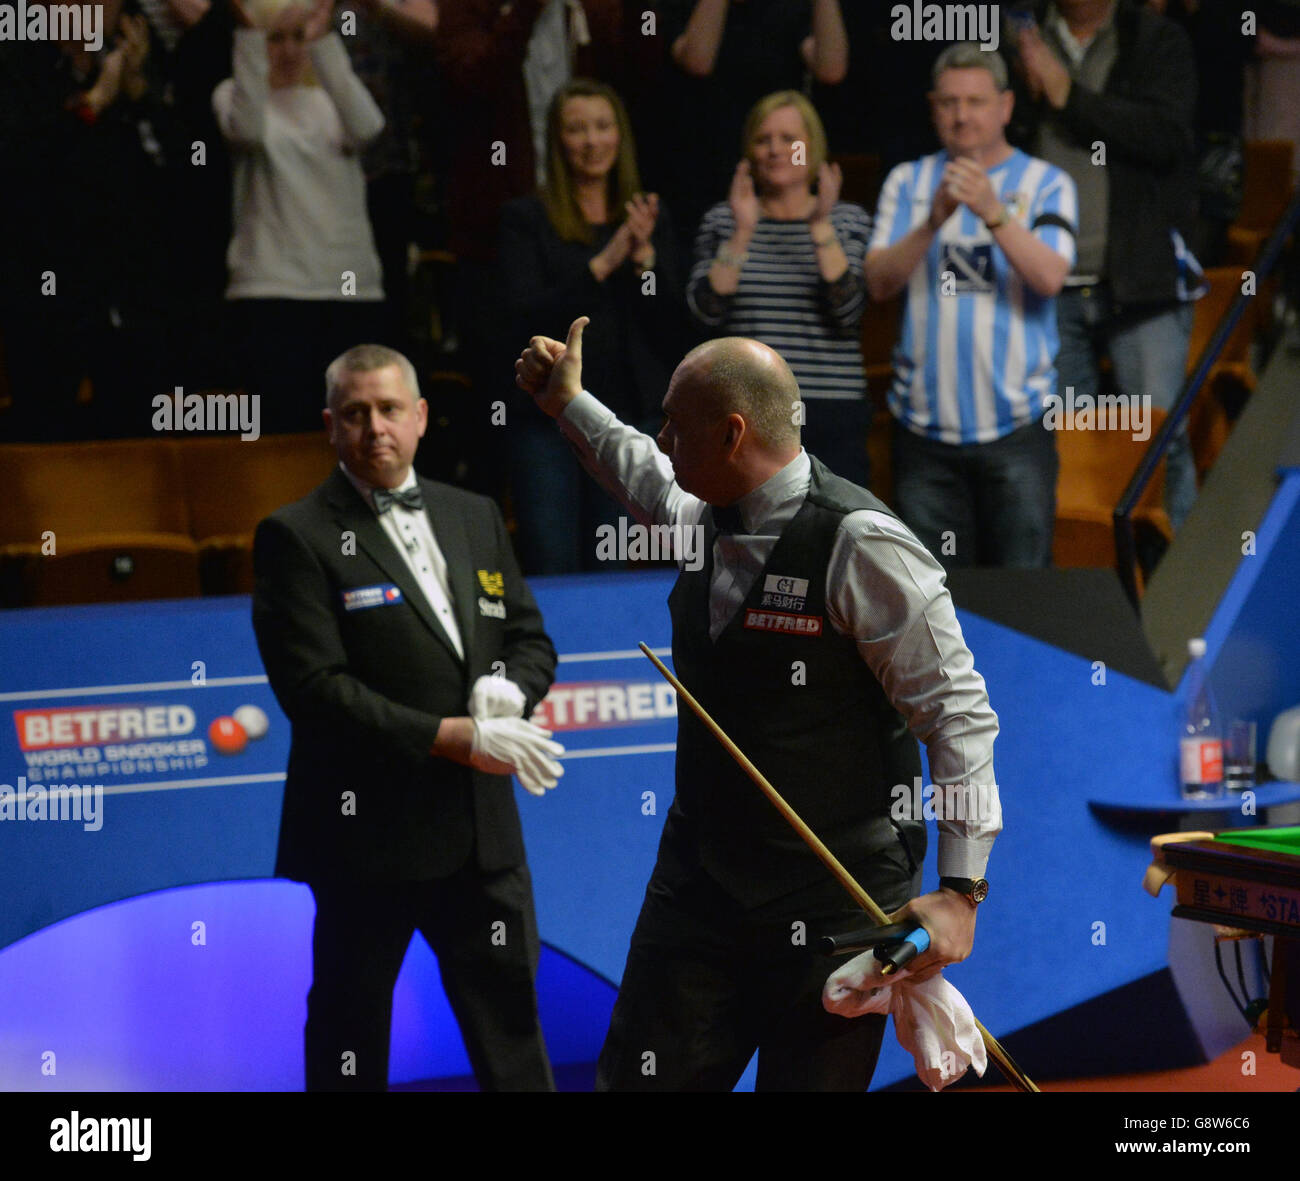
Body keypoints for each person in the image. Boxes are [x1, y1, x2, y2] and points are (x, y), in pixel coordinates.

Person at [515, 317, 1001, 1091]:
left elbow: (957, 715)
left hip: (837, 898)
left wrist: (961, 889)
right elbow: (638, 469)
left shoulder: (862, 543)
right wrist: (569, 402)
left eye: (677, 424)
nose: (663, 438)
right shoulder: (700, 517)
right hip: (699, 890)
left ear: (733, 432)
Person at [252, 343, 565, 1091]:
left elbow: (529, 637)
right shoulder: (295, 535)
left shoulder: (475, 514)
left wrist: (509, 692)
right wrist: (447, 736)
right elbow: (315, 689)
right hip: (367, 839)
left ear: (421, 417)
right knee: (349, 1036)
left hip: (483, 834)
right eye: (354, 413)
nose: (374, 427)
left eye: (390, 409)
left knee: (514, 1035)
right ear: (330, 426)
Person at [865, 44, 1077, 569]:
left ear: (1005, 106)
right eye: (949, 102)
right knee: (934, 605)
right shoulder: (907, 182)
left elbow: (1050, 276)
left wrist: (992, 212)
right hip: (923, 433)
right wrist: (932, 221)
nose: (962, 115)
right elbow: (878, 283)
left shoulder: (1047, 183)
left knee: (1022, 598)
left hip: (1016, 429)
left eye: (976, 101)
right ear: (933, 107)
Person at [1009, 0, 1201, 529]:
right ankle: (1089, 587)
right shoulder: (1018, 37)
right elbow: (991, 141)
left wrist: (1069, 96)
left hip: (1140, 281)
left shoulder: (1155, 41)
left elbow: (1166, 138)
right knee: (1068, 449)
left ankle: (1183, 581)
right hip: (1048, 286)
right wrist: (1027, 101)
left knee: (1159, 438)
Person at [498, 78, 687, 573]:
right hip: (547, 422)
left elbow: (673, 326)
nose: (592, 140)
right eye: (577, 129)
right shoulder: (526, 218)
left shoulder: (647, 216)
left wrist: (645, 260)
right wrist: (603, 264)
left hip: (625, 419)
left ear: (619, 135)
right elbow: (523, 315)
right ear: (557, 140)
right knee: (552, 560)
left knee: (615, 564)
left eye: (603, 127)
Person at [213, 0, 388, 433]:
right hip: (273, 289)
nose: (288, 51)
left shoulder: (332, 102)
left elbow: (369, 127)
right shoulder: (232, 96)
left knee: (352, 436)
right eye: (275, 38)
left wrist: (324, 40)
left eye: (297, 37)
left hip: (347, 289)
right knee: (281, 434)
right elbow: (247, 130)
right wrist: (251, 35)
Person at [689, 89, 874, 487]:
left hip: (833, 411)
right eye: (763, 139)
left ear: (812, 148)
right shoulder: (724, 221)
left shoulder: (847, 220)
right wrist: (742, 231)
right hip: (748, 414)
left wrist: (820, 223)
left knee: (838, 537)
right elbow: (705, 314)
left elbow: (849, 312)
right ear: (749, 153)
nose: (775, 149)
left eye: (789, 139)